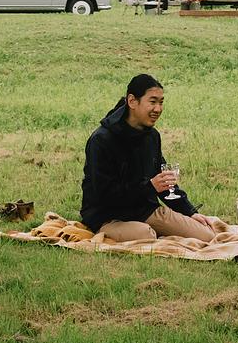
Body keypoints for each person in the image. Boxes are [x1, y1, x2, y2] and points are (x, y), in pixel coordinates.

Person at [80, 74, 217, 242]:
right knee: (145, 235)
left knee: (207, 236)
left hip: (145, 211)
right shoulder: (102, 140)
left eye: (161, 102)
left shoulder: (152, 136)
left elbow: (165, 185)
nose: (158, 109)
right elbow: (105, 195)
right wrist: (149, 187)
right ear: (132, 101)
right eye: (152, 102)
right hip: (107, 216)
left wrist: (190, 212)